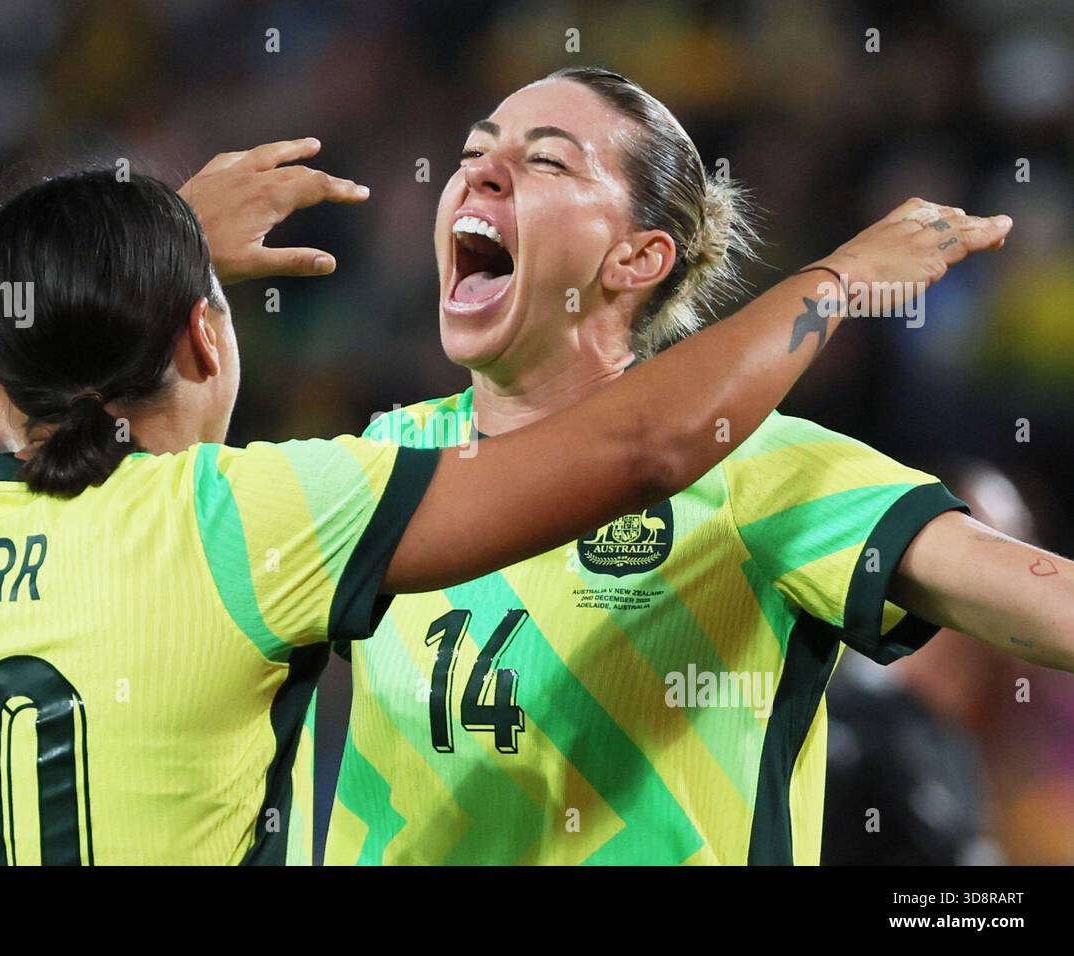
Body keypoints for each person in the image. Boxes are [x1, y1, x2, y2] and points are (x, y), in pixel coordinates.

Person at [0, 135, 1003, 864]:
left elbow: (12, 377)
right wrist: (835, 281)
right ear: (206, 333)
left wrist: (151, 258)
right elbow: (646, 441)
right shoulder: (249, 518)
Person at [322, 67, 1067, 866]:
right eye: (473, 152)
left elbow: (1041, 599)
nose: (478, 171)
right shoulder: (371, 465)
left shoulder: (763, 472)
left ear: (638, 259)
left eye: (546, 162)